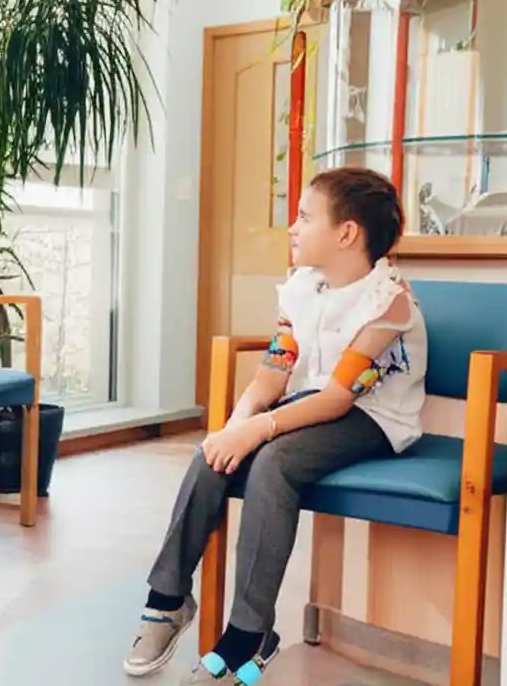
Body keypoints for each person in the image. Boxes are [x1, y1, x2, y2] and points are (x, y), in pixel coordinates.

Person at [124, 167, 427, 683]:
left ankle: (248, 636)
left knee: (274, 463)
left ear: (347, 233)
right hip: (310, 406)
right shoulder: (302, 289)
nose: (293, 226)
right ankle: (167, 599)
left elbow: (335, 399)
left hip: (373, 418)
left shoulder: (389, 302)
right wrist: (236, 425)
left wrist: (257, 433)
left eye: (305, 216)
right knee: (213, 451)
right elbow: (275, 369)